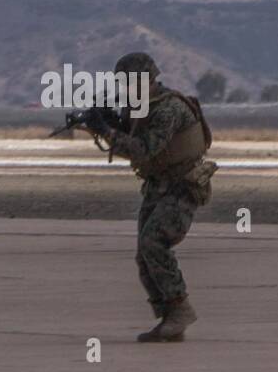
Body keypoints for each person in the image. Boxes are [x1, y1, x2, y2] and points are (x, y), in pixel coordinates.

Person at [88, 53, 217, 342]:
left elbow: (143, 149)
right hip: (159, 187)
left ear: (146, 80)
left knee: (154, 244)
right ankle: (170, 317)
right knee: (144, 253)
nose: (127, 89)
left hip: (181, 187)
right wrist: (108, 125)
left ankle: (179, 310)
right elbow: (133, 142)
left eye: (130, 82)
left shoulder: (168, 109)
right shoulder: (143, 107)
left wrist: (107, 131)